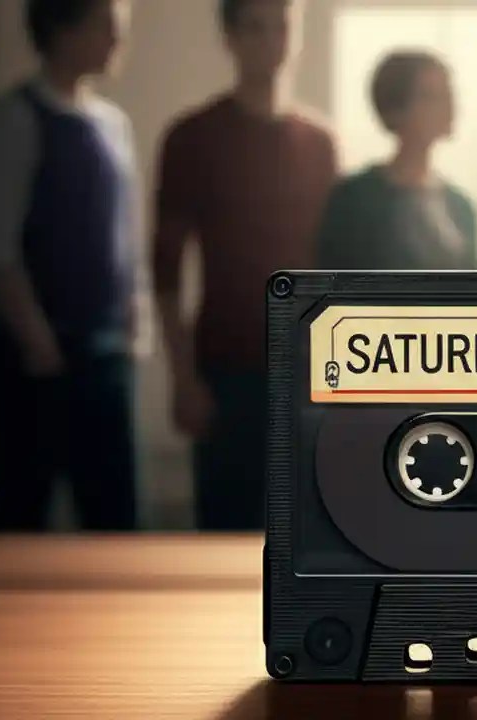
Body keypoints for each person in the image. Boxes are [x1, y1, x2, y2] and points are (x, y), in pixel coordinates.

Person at [153, 0, 338, 531]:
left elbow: (334, 272)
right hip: (225, 372)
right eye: (255, 29)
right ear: (230, 39)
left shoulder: (321, 145)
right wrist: (183, 377)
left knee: (308, 540)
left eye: (282, 28)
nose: (271, 42)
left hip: (305, 375)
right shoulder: (192, 137)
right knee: (223, 536)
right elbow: (166, 268)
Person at [0, 0, 140, 531]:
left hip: (103, 355)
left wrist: (133, 324)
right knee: (21, 513)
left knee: (116, 519)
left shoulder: (113, 125)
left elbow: (124, 238)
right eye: (107, 28)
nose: (117, 42)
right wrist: (37, 341)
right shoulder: (11, 119)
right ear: (63, 30)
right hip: (33, 359)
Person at [315, 51, 477, 270]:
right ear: (396, 110)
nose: (450, 106)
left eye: (450, 94)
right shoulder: (355, 199)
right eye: (432, 96)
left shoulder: (460, 206)